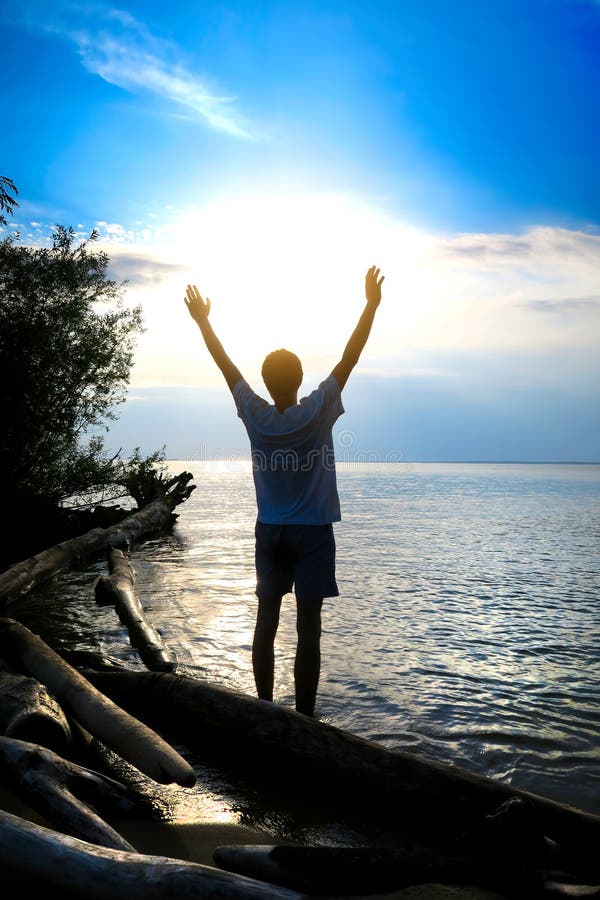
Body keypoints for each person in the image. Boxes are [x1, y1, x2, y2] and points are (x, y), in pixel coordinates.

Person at [184, 265, 385, 717]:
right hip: (311, 533)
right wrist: (370, 305)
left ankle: (263, 710)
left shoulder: (255, 415)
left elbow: (226, 367)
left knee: (265, 622)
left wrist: (203, 322)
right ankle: (305, 720)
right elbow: (349, 358)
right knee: (308, 629)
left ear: (268, 383)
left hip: (269, 531)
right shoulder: (315, 411)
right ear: (297, 381)